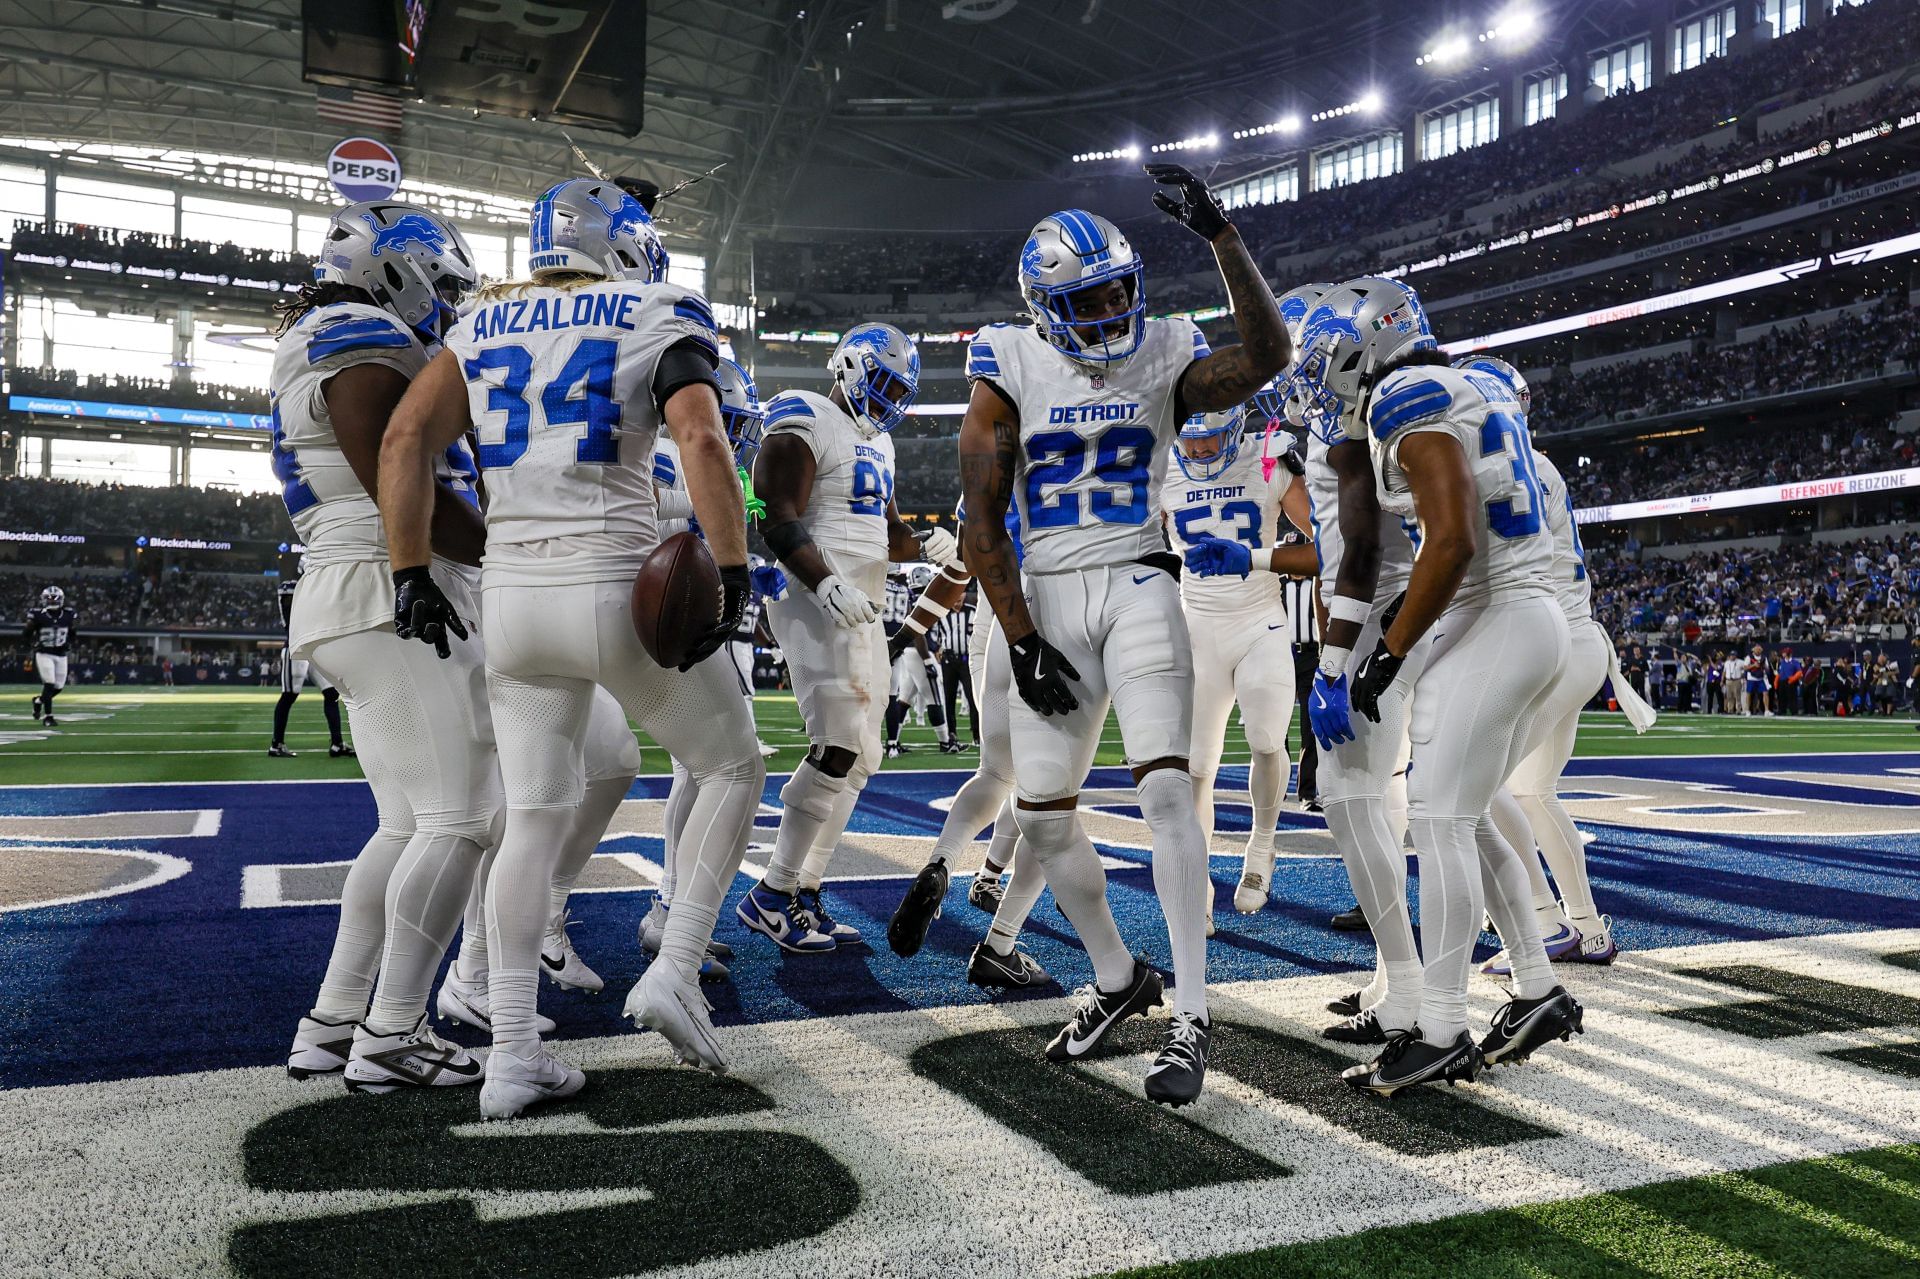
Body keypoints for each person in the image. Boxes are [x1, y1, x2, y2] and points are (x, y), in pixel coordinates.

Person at [377, 178, 761, 1117]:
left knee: (532, 821)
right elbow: (701, 435)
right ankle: (676, 966)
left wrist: (410, 571)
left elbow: (404, 437)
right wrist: (733, 563)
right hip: (616, 585)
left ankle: (512, 1054)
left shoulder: (482, 321)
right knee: (732, 764)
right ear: (623, 247)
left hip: (513, 599)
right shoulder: (656, 308)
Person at [957, 166, 1292, 1106]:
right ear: (1043, 307)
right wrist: (1021, 636)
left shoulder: (1165, 351)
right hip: (1050, 594)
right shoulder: (1006, 363)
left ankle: (1192, 1015)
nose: (1111, 311)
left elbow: (1268, 355)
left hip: (1142, 580)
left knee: (1169, 795)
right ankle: (1117, 976)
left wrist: (1224, 239)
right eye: (1089, 299)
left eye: (1119, 292)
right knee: (1041, 818)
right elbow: (981, 522)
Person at [1293, 276, 1580, 1095]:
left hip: (1498, 610)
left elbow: (1450, 544)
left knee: (1438, 819)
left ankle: (1442, 1028)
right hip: (1519, 611)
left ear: (1367, 344)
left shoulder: (1404, 394)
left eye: (1329, 361)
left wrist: (1385, 654)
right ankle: (1535, 987)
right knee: (1465, 811)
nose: (1323, 383)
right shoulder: (1471, 381)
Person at [735, 323, 961, 954]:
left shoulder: (880, 442)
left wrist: (924, 546)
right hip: (812, 593)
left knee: (862, 754)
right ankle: (771, 893)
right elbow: (771, 509)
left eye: (901, 390)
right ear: (851, 366)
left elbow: (886, 532)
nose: (891, 400)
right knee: (836, 741)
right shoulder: (804, 413)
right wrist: (826, 581)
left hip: (858, 599)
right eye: (885, 383)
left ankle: (803, 888)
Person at [636, 357, 771, 983]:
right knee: (705, 767)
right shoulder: (666, 451)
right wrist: (702, 502)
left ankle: (669, 908)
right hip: (644, 623)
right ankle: (667, 910)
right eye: (730, 421)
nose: (734, 436)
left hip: (667, 625)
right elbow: (651, 509)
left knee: (695, 769)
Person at [885, 500, 1056, 990]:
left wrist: (903, 636)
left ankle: (943, 862)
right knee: (1052, 801)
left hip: (994, 626)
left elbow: (958, 569)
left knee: (996, 773)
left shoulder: (988, 475)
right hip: (1055, 613)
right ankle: (1001, 943)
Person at [1163, 403, 1311, 916]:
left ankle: (1261, 845)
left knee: (1267, 739)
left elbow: (1327, 538)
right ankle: (1198, 880)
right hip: (1197, 624)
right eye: (1190, 440)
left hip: (1258, 619)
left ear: (1235, 428)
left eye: (1210, 437)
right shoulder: (1162, 468)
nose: (1200, 449)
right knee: (1197, 766)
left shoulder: (1268, 459)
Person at [269, 567, 353, 759]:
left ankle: (337, 744)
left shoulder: (312, 588)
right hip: (296, 648)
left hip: (314, 649)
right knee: (289, 695)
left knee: (331, 693)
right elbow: (290, 597)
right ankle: (276, 744)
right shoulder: (291, 588)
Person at [26, 584, 74, 728]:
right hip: (44, 653)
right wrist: (33, 644)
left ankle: (38, 701)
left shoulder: (68, 614)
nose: (52, 601)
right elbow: (26, 633)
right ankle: (48, 717)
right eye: (49, 599)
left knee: (58, 687)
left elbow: (73, 632)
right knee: (49, 683)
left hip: (61, 654)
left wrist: (69, 643)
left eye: (55, 599)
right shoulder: (37, 614)